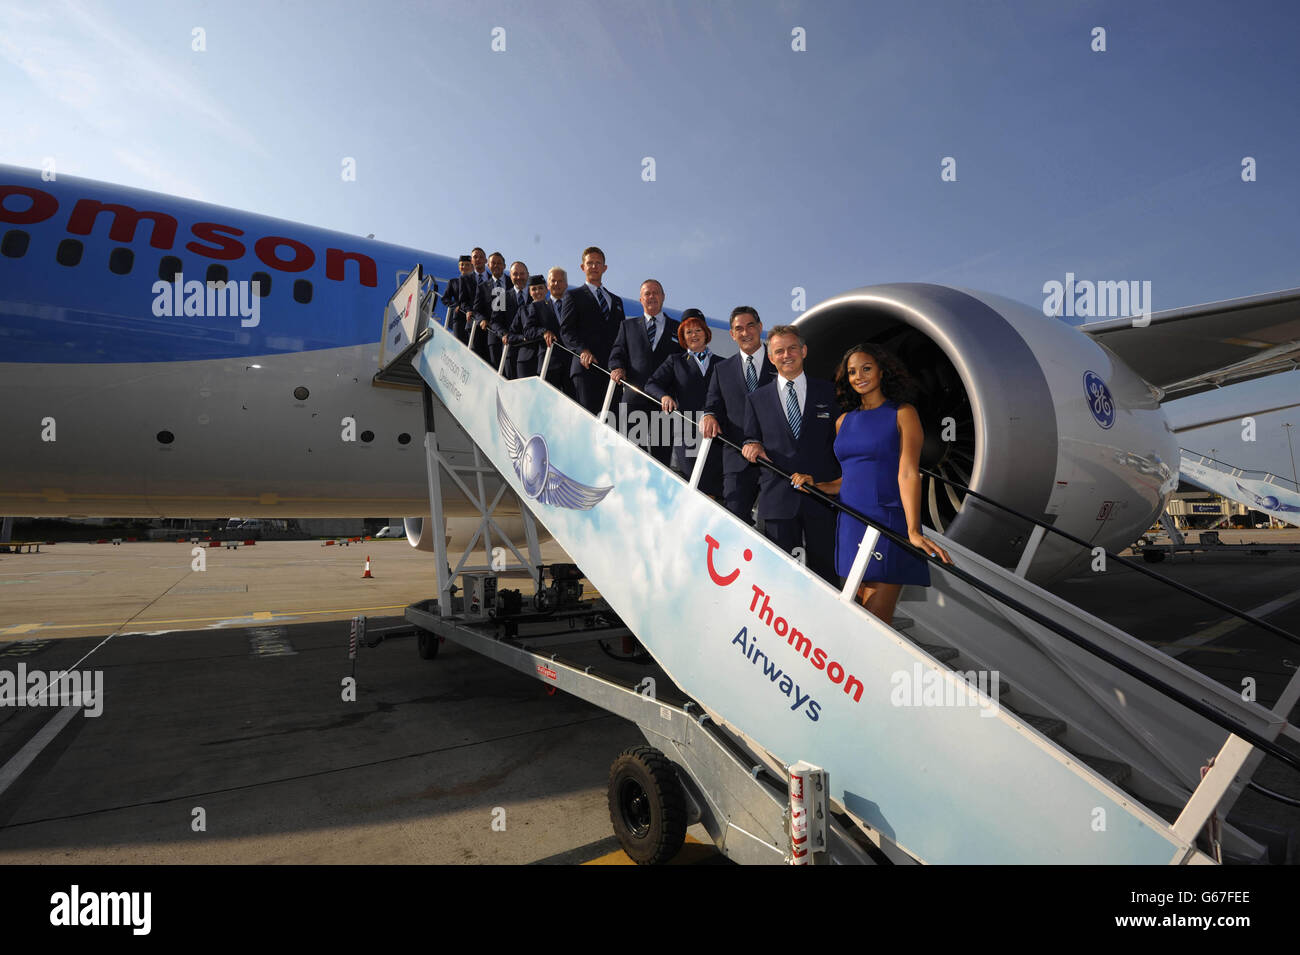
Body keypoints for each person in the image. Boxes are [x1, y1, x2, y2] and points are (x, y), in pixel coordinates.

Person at [791, 344, 952, 624]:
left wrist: (913, 531)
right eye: (852, 371)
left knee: (875, 621)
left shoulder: (902, 413)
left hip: (885, 522)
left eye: (866, 368)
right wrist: (817, 484)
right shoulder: (843, 421)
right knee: (854, 618)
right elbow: (849, 478)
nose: (859, 376)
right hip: (850, 522)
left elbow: (908, 473)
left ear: (882, 371)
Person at [742, 325, 839, 583]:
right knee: (779, 580)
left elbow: (841, 441)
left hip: (821, 498)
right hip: (777, 501)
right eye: (779, 351)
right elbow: (750, 437)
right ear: (771, 357)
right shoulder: (756, 399)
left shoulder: (829, 393)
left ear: (804, 351)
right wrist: (752, 445)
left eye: (792, 348)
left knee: (827, 576)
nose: (787, 355)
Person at [700, 307, 776, 523]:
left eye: (750, 326)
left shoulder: (780, 363)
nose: (745, 333)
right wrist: (709, 415)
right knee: (733, 521)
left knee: (776, 526)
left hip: (775, 457)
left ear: (760, 327)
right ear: (732, 334)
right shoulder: (722, 369)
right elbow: (712, 402)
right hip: (736, 456)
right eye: (738, 329)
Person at [645, 308, 722, 497]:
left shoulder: (723, 363)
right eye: (688, 332)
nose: (693, 335)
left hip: (717, 435)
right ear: (683, 337)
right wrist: (664, 396)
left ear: (706, 333)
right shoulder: (675, 361)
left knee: (715, 489)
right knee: (695, 487)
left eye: (698, 330)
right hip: (687, 434)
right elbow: (651, 384)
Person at [609, 279, 681, 464]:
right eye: (647, 293)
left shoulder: (679, 329)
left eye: (656, 292)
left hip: (665, 403)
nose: (651, 296)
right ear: (641, 299)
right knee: (631, 457)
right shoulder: (627, 326)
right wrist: (617, 367)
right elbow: (617, 352)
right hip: (634, 398)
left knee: (662, 459)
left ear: (663, 297)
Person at [559, 246, 625, 415]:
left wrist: (621, 365)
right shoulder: (573, 296)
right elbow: (566, 331)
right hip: (585, 370)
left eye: (598, 263)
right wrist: (582, 351)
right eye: (590, 263)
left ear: (605, 268)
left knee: (612, 426)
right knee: (587, 422)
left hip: (612, 374)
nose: (594, 266)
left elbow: (622, 338)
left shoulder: (616, 301)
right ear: (583, 267)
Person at [524, 267, 574, 397]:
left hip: (572, 365)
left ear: (566, 284)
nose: (556, 284)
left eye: (560, 281)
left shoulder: (575, 305)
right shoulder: (537, 306)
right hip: (549, 364)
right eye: (553, 281)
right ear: (548, 285)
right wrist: (543, 332)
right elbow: (528, 331)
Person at [470, 252, 511, 369]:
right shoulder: (482, 287)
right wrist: (482, 319)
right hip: (492, 334)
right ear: (488, 265)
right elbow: (476, 310)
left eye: (499, 263)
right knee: (494, 366)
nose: (496, 265)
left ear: (504, 266)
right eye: (493, 263)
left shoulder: (512, 284)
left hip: (510, 334)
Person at [509, 274, 549, 378]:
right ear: (530, 292)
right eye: (534, 289)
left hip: (548, 359)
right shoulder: (523, 310)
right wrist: (523, 338)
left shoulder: (553, 309)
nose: (537, 292)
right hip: (525, 361)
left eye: (540, 288)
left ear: (546, 290)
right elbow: (511, 336)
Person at [442, 255, 475, 342]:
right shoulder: (453, 282)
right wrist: (455, 305)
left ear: (472, 267)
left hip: (472, 317)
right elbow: (445, 298)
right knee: (459, 342)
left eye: (467, 265)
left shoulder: (476, 282)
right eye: (462, 265)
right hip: (459, 317)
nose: (464, 267)